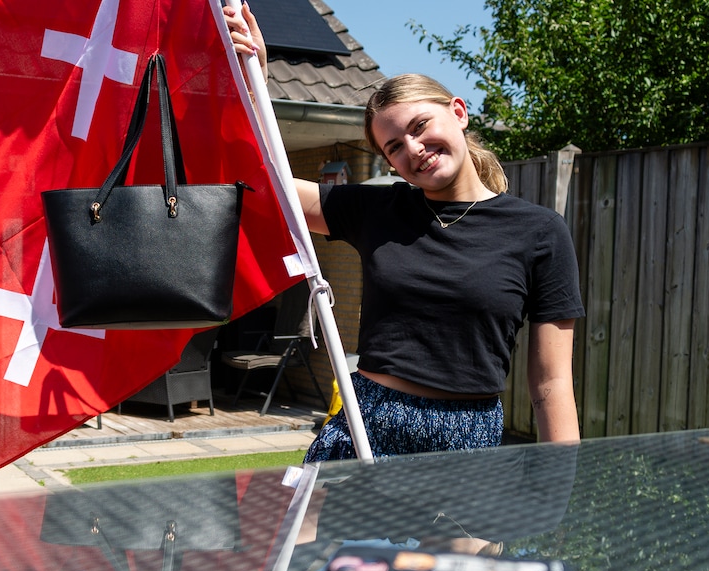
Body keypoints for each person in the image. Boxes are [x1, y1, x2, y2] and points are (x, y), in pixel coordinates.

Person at [225, 4, 583, 461]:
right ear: (390, 162)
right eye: (395, 146)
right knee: (296, 533)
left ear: (458, 112)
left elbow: (550, 381)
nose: (415, 149)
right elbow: (269, 183)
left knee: (466, 537)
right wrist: (254, 79)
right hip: (368, 418)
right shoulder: (378, 209)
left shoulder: (540, 233)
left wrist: (561, 482)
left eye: (420, 127)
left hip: (466, 437)